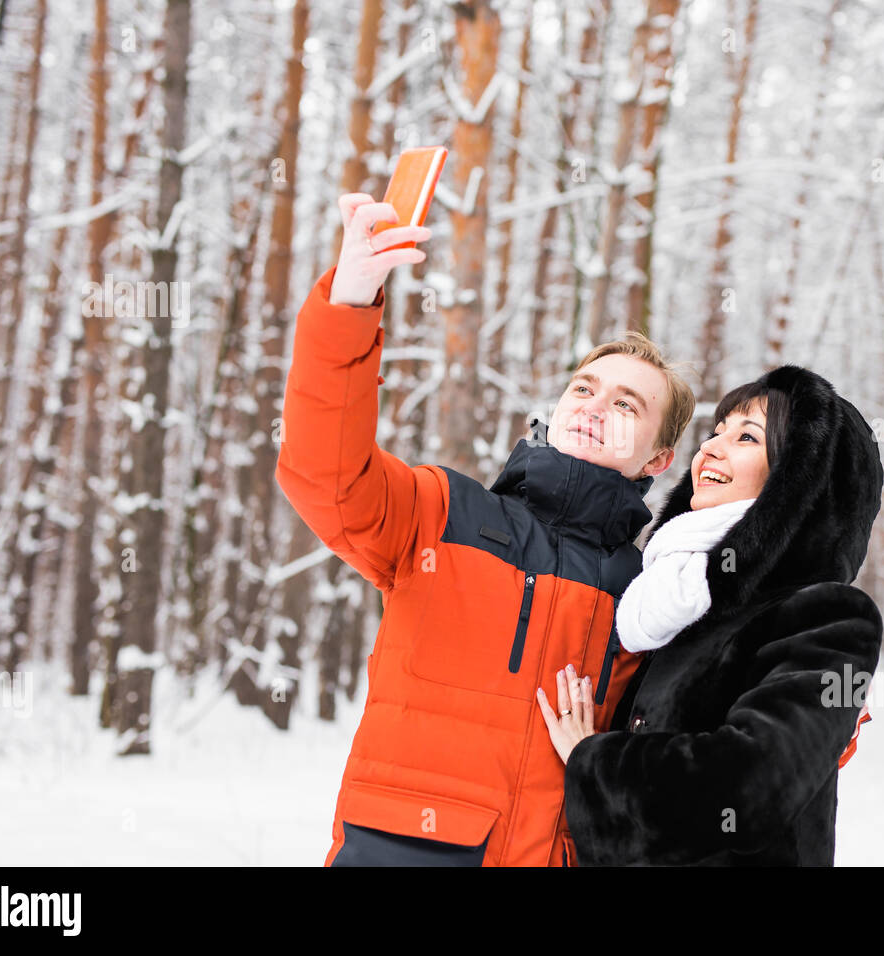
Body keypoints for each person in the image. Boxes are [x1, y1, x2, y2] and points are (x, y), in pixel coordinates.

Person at [275, 193, 696, 866]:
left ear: (658, 458)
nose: (594, 408)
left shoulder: (646, 593)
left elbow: (703, 737)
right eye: (584, 389)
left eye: (627, 404)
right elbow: (324, 475)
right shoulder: (444, 514)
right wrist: (349, 305)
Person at [537, 364, 884, 866]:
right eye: (716, 431)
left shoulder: (829, 616)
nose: (711, 449)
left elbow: (750, 786)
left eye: (746, 437)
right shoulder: (674, 608)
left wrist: (593, 758)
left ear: (798, 480)